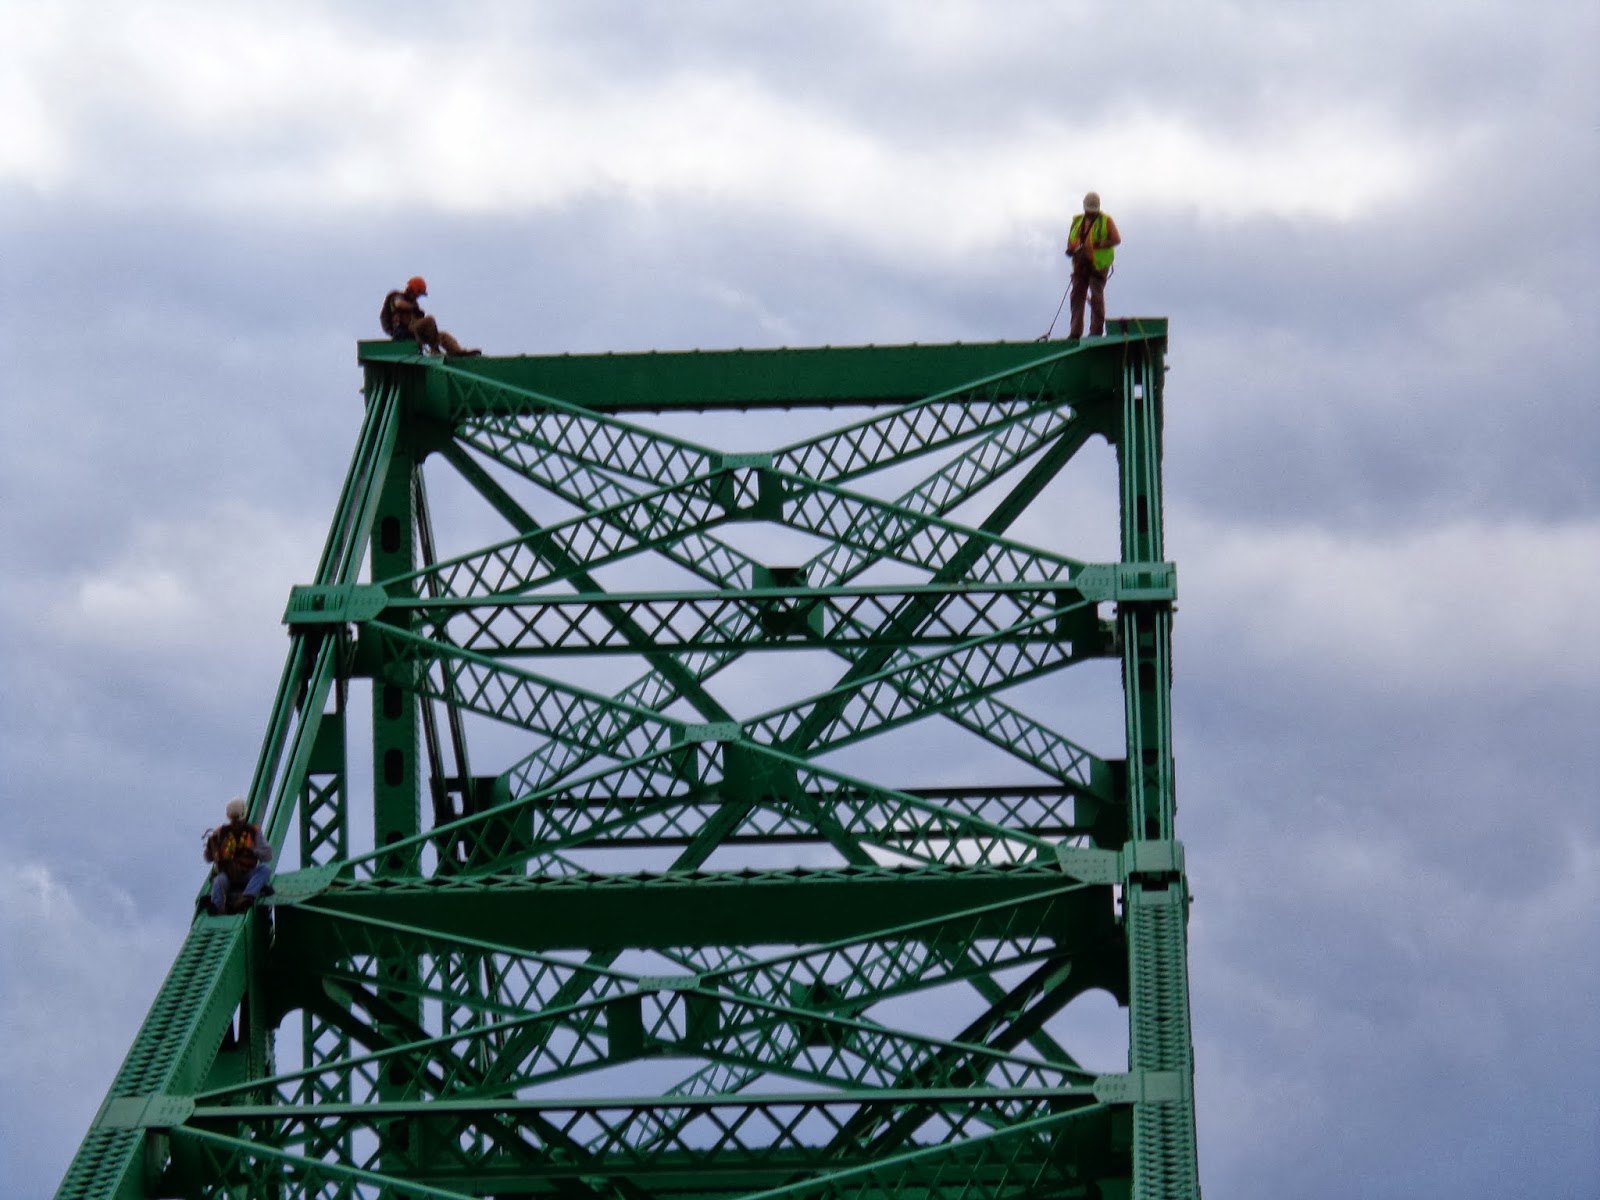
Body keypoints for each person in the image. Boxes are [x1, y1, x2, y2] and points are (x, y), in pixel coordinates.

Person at [1064, 192, 1122, 340]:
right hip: (1080, 264)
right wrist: (1071, 250)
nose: (1090, 213)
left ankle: (1096, 331)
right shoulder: (1077, 221)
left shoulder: (1105, 221)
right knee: (1077, 295)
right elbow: (1071, 241)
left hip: (1098, 265)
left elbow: (1116, 239)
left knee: (1096, 296)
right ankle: (1075, 332)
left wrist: (1098, 244)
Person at [203, 797, 274, 915]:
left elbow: (268, 855)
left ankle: (246, 898)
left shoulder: (253, 832)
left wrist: (254, 851)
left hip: (246, 874)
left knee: (264, 870)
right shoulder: (220, 833)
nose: (236, 823)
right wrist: (210, 850)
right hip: (228, 876)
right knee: (219, 881)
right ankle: (217, 907)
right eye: (233, 820)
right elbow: (208, 858)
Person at [379, 275, 481, 357]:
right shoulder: (397, 296)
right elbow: (399, 304)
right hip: (403, 331)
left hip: (415, 333)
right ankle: (434, 350)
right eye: (419, 293)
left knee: (443, 336)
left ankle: (458, 352)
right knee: (429, 320)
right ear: (414, 290)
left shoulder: (413, 304)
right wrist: (414, 307)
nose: (419, 297)